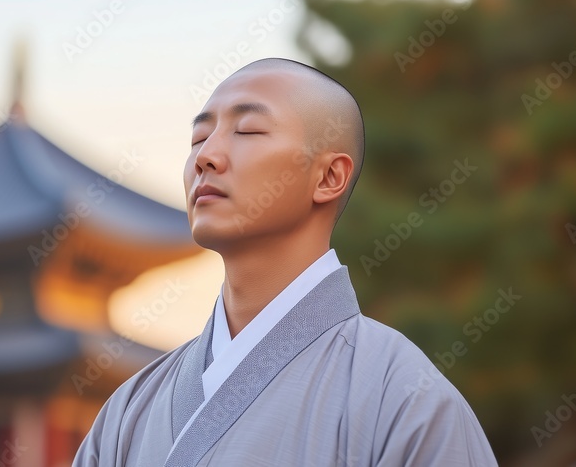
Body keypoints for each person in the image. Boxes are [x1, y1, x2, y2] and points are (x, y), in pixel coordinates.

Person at [72, 58, 498, 466]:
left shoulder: (404, 398)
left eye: (249, 131)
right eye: (198, 139)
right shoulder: (126, 413)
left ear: (329, 177)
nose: (206, 157)